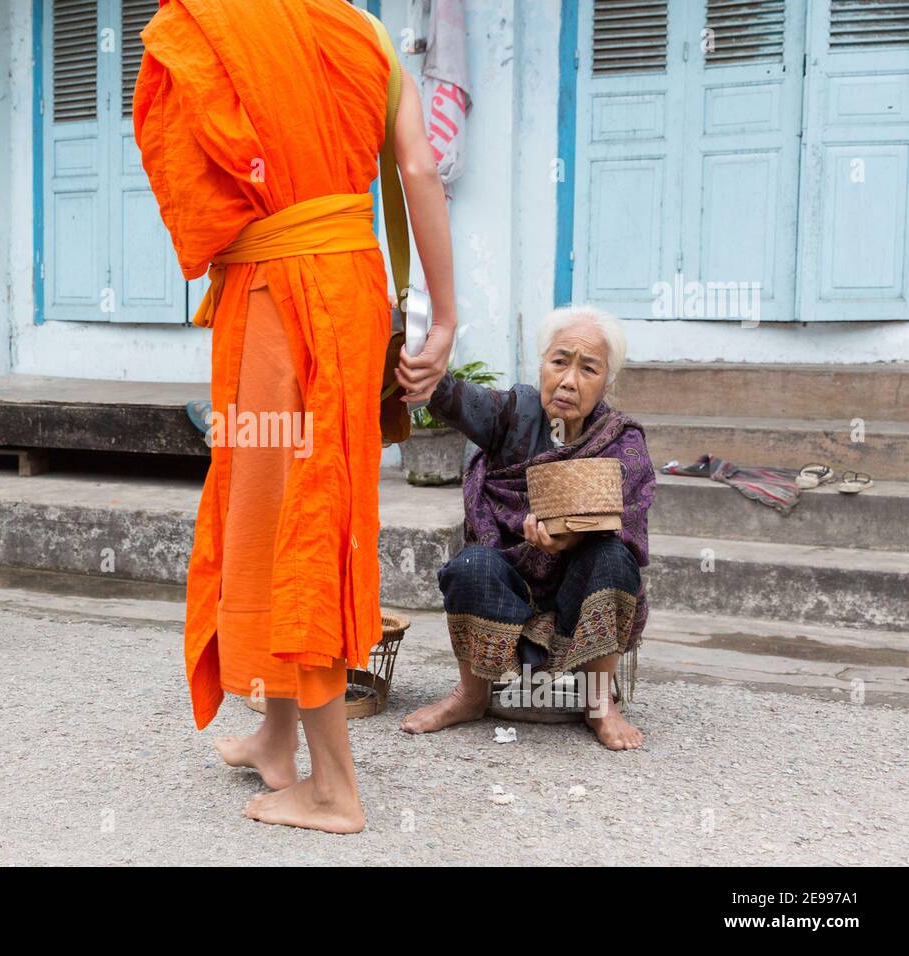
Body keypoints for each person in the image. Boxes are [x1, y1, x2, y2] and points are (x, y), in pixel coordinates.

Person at [133, 0, 456, 832]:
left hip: (279, 299)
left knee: (295, 520)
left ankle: (335, 788)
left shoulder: (209, 25)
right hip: (346, 292)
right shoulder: (368, 33)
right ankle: (278, 737)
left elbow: (190, 192)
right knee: (293, 507)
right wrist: (443, 318)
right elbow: (419, 170)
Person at [400, 306, 656, 750]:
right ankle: (471, 695)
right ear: (541, 364)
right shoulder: (512, 414)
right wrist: (416, 346)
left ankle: (598, 702)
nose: (569, 380)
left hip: (576, 590)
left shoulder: (621, 440)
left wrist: (572, 537)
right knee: (471, 565)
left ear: (606, 383)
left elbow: (624, 521)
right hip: (509, 586)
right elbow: (450, 396)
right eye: (559, 362)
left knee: (614, 557)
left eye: (588, 368)